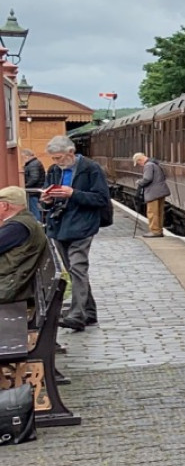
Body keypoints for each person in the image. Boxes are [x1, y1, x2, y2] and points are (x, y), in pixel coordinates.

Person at [40, 135, 107, 331]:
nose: (56, 162)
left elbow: (101, 199)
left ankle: (77, 315)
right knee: (74, 271)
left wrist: (73, 194)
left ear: (71, 152)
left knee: (78, 268)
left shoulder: (90, 169)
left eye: (59, 158)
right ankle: (90, 312)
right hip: (60, 226)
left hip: (83, 226)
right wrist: (46, 199)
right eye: (53, 159)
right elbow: (46, 194)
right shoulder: (53, 170)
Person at [0, 186, 49, 311]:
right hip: (14, 281)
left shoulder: (18, 227)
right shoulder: (24, 221)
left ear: (4, 205)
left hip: (8, 285)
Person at [133, 152, 168, 236]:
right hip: (160, 191)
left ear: (140, 160)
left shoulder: (148, 165)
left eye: (138, 163)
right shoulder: (155, 164)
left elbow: (147, 178)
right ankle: (159, 230)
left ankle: (154, 231)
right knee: (159, 212)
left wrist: (139, 182)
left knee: (152, 212)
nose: (140, 165)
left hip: (153, 192)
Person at [21, 150, 44, 220]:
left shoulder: (33, 164)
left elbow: (34, 178)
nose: (22, 159)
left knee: (34, 210)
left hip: (32, 191)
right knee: (34, 209)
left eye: (22, 157)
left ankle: (37, 225)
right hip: (34, 190)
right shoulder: (34, 163)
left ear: (26, 156)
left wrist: (24, 186)